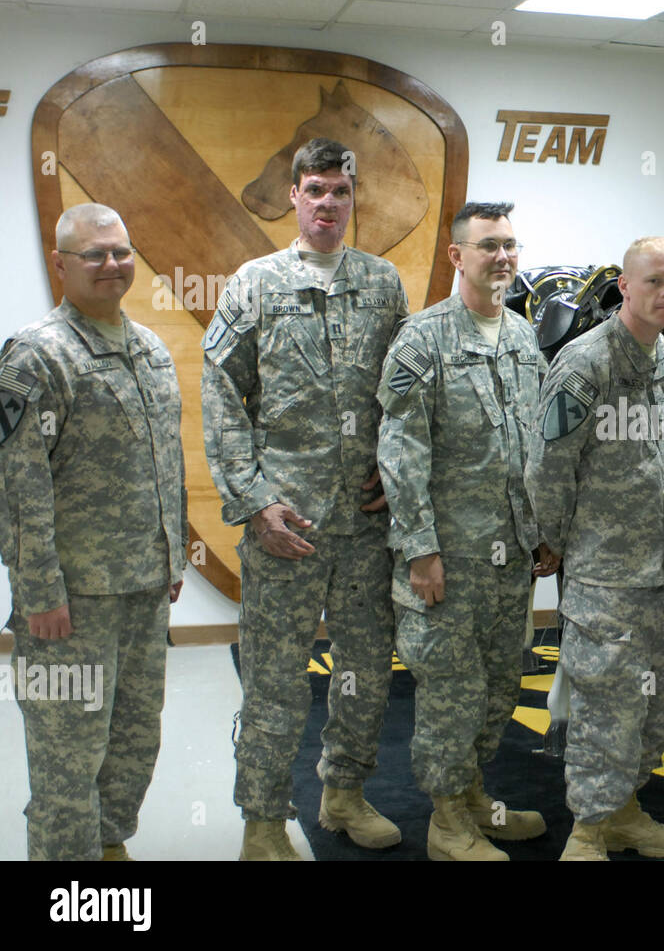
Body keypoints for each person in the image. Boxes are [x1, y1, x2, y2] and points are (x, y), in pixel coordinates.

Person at [202, 137, 407, 860]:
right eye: (315, 190)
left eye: (340, 191)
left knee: (365, 669)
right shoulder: (253, 284)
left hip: (363, 525)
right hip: (285, 524)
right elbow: (222, 398)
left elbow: (400, 396)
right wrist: (256, 504)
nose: (328, 203)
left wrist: (398, 466)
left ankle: (344, 794)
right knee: (274, 682)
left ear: (355, 199)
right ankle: (262, 823)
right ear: (293, 196)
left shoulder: (383, 285)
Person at [0, 203, 186, 860]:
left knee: (135, 739)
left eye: (121, 252)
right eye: (95, 254)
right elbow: (17, 487)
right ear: (60, 264)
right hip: (70, 604)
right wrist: (39, 591)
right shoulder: (32, 356)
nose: (112, 264)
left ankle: (107, 849)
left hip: (140, 589)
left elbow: (165, 462)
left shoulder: (150, 350)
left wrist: (170, 563)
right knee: (67, 756)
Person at [377, 202, 557, 861]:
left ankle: (476, 796)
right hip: (448, 559)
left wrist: (542, 531)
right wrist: (420, 550)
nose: (503, 257)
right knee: (452, 692)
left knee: (501, 685)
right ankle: (447, 820)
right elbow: (400, 452)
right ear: (457, 256)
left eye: (510, 245)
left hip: (510, 558)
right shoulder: (422, 340)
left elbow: (536, 444)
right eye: (488, 246)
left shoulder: (520, 337)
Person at [525, 236, 664, 861]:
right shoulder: (583, 363)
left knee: (655, 702)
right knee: (603, 703)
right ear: (624, 287)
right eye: (654, 282)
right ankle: (588, 831)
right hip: (605, 575)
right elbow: (548, 468)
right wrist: (559, 546)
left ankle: (625, 809)